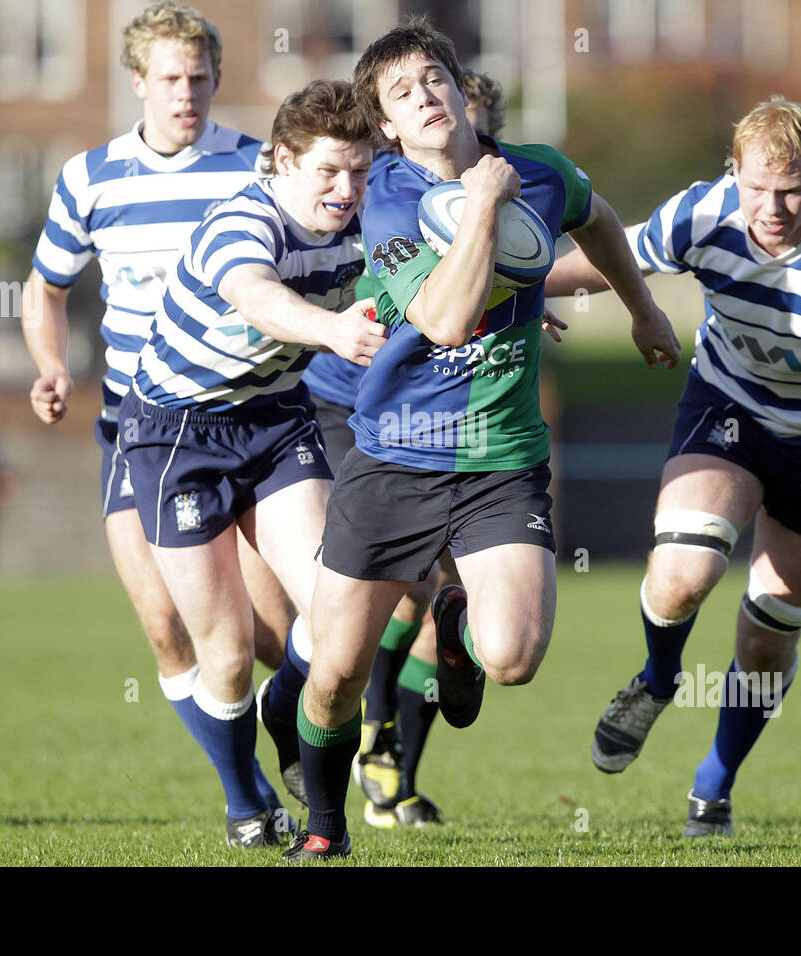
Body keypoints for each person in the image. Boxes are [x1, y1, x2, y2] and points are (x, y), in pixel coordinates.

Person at [282, 18, 680, 862]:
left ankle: (456, 619)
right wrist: (486, 204)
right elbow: (446, 318)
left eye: (433, 78)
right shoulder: (387, 195)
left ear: (460, 89)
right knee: (337, 676)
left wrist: (643, 309)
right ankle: (325, 829)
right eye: (400, 93)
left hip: (502, 462)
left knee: (514, 658)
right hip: (392, 458)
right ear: (385, 125)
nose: (423, 96)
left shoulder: (538, 170)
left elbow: (598, 215)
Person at [550, 95, 801, 836]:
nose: (772, 208)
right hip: (729, 410)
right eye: (756, 189)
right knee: (682, 576)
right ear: (731, 174)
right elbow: (611, 255)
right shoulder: (703, 215)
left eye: (792, 190)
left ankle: (715, 784)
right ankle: (658, 679)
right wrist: (502, 286)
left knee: (769, 638)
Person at [20, 0, 297, 835]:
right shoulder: (90, 178)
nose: (187, 93)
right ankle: (246, 801)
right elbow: (47, 285)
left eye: (201, 77)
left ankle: (311, 736)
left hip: (246, 420)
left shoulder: (256, 167)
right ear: (138, 81)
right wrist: (50, 365)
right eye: (171, 79)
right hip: (134, 427)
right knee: (165, 624)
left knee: (271, 636)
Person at [118, 78, 381, 848]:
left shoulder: (364, 218)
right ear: (282, 161)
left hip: (271, 420)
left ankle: (284, 707)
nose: (346, 188)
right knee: (227, 655)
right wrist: (331, 330)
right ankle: (244, 804)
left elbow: (423, 270)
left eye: (360, 171)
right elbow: (258, 298)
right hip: (177, 435)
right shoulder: (243, 219)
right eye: (329, 170)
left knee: (337, 612)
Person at [304, 68, 512, 831]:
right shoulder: (386, 195)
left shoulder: (494, 193)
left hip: (452, 424)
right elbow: (420, 300)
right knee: (394, 599)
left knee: (450, 603)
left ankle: (391, 771)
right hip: (350, 404)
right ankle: (360, 735)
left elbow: (499, 280)